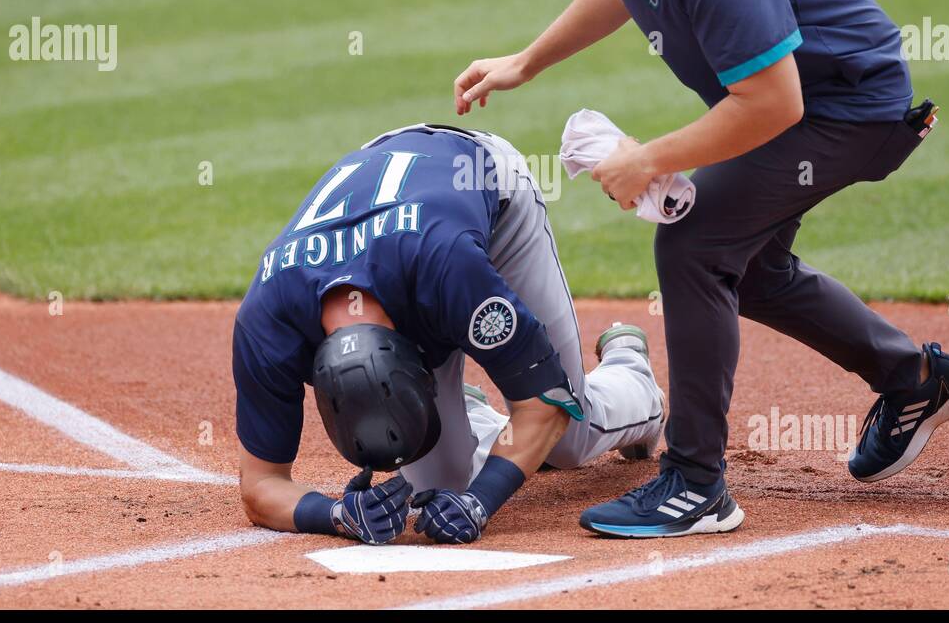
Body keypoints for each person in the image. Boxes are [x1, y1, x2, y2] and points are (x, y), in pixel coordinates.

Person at [453, 0, 949, 539]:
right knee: (751, 266)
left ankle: (696, 482)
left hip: (848, 113)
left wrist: (648, 159)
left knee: (695, 245)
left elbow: (771, 105)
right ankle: (919, 381)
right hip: (812, 101)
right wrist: (526, 61)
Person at [233, 123, 665, 545]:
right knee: (440, 483)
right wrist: (333, 515)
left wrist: (480, 502)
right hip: (404, 231)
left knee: (569, 435)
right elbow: (261, 484)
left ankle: (633, 373)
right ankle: (471, 415)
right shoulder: (265, 322)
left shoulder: (449, 270)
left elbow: (545, 406)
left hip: (481, 182)